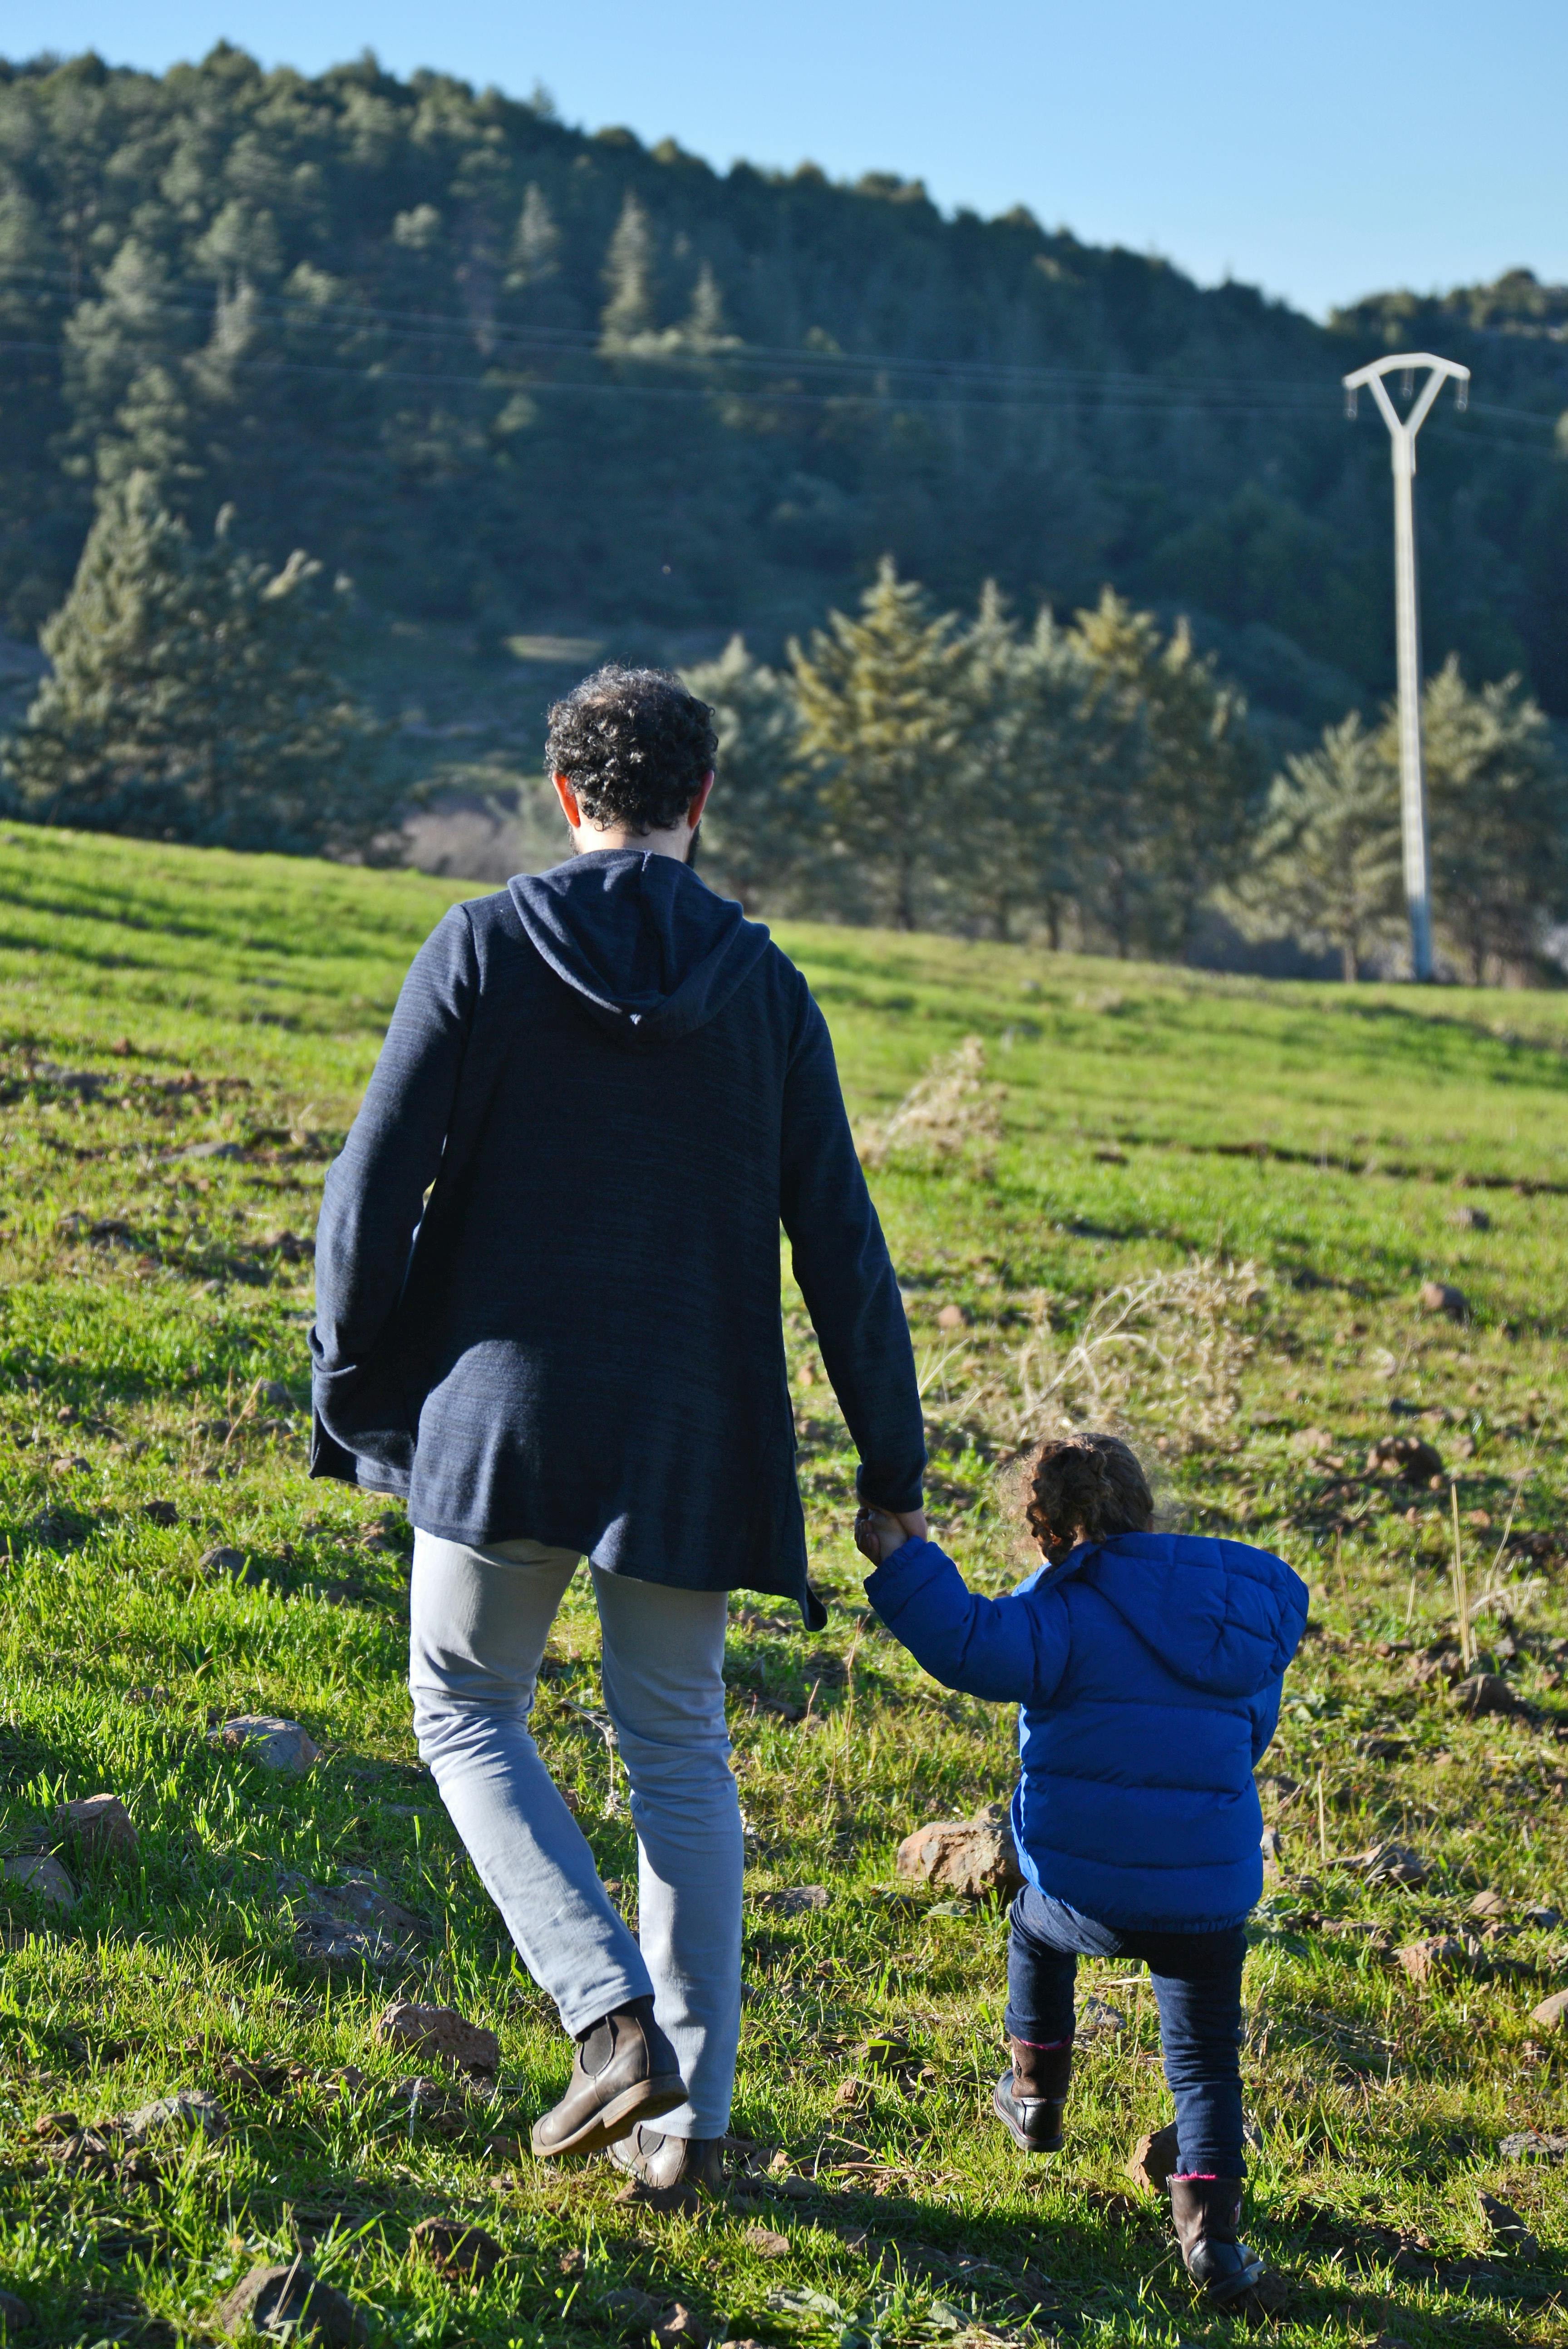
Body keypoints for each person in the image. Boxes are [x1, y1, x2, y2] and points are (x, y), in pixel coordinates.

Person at [310, 665, 926, 2201]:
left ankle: (604, 2017)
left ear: (566, 797)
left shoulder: (481, 942)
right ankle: (687, 2125)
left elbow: (374, 1182)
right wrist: (888, 1467)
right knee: (677, 1748)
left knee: (461, 1703)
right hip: (692, 1428)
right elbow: (841, 1245)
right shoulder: (769, 989)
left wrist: (345, 1361)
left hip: (500, 1414)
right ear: (700, 805)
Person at [854, 1433, 1307, 2307]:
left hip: (1085, 1890)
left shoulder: (1057, 1609)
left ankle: (1033, 2095)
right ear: (1144, 1510)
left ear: (1046, 1529)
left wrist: (904, 1559)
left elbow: (966, 1641)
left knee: (1032, 1924)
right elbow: (1251, 1735)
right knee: (1207, 2065)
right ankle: (1212, 2246)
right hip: (1206, 1895)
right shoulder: (1230, 1611)